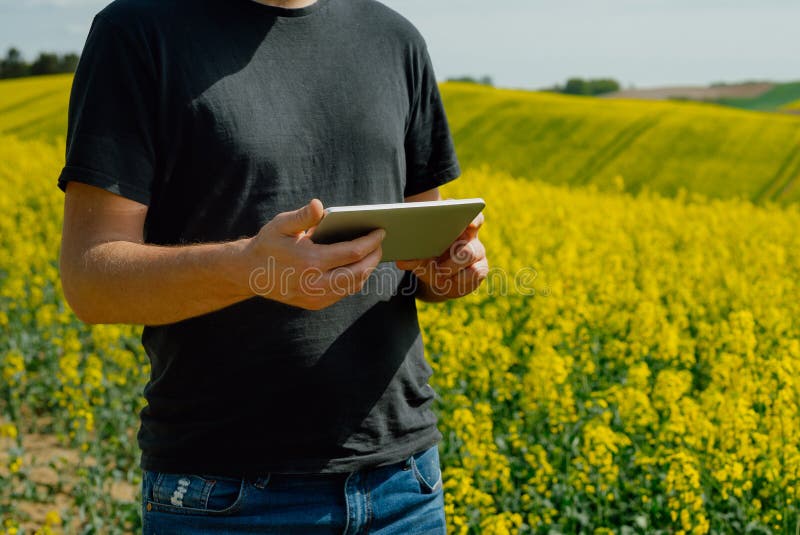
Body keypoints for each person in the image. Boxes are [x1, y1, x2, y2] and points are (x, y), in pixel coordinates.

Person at [57, 0, 488, 532]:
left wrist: (453, 269)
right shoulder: (137, 32)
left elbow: (428, 259)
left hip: (403, 485)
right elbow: (88, 278)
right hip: (226, 496)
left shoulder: (395, 39)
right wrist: (249, 267)